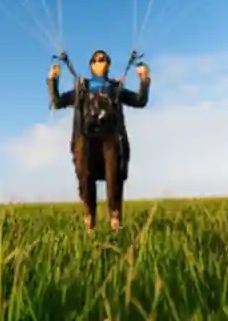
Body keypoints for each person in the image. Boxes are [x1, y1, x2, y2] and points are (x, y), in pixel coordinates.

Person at [47, 49, 151, 231]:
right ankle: (89, 215)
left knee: (113, 170)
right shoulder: (82, 87)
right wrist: (53, 81)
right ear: (91, 65)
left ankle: (114, 216)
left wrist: (144, 80)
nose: (98, 62)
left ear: (108, 64)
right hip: (86, 137)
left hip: (110, 136)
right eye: (95, 60)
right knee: (84, 170)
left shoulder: (115, 88)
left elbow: (139, 101)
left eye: (102, 59)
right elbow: (57, 102)